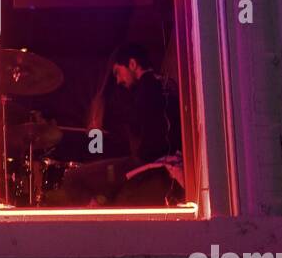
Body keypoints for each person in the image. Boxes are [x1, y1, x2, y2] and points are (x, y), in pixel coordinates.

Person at [52, 44, 184, 206]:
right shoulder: (163, 85)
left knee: (73, 179)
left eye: (118, 72)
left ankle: (98, 220)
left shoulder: (143, 90)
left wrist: (96, 134)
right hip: (156, 163)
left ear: (133, 64)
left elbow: (136, 145)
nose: (118, 80)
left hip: (145, 164)